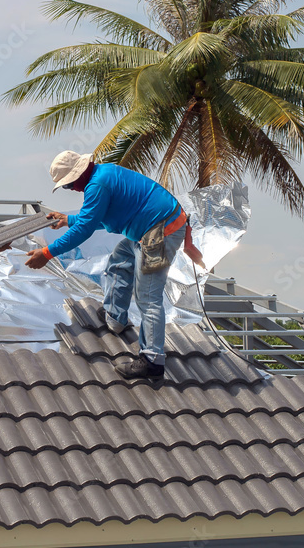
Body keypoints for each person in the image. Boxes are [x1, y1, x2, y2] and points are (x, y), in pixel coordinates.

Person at [26, 151, 187, 379]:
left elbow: (85, 229)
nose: (71, 189)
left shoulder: (97, 185)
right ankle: (115, 316)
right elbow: (100, 216)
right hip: (151, 227)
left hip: (160, 232)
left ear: (78, 175)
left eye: (68, 185)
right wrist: (68, 220)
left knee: (148, 297)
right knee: (121, 257)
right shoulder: (103, 174)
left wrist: (47, 252)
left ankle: (152, 360)